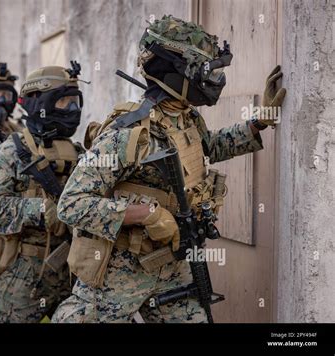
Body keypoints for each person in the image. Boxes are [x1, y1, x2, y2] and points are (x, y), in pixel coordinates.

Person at [51, 15, 286, 323]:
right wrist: (147, 214)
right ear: (177, 71)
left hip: (174, 264)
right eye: (206, 72)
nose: (213, 81)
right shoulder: (127, 132)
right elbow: (71, 203)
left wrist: (259, 122)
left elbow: (210, 147)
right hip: (122, 273)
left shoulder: (185, 117)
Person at [0, 63, 85, 322]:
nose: (72, 109)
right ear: (40, 102)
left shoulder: (81, 154)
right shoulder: (9, 152)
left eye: (75, 102)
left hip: (73, 267)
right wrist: (41, 211)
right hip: (22, 271)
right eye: (64, 101)